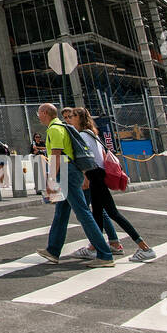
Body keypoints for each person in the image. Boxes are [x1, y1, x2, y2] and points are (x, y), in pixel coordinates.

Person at [35, 103, 114, 267]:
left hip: (65, 170)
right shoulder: (60, 127)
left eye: (39, 113)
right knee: (61, 213)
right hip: (67, 169)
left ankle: (105, 254)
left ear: (45, 113)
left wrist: (50, 180)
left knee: (83, 213)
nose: (38, 116)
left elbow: (56, 155)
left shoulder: (55, 129)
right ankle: (53, 250)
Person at [71, 109, 155, 261]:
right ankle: (94, 247)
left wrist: (85, 176)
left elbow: (86, 158)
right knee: (97, 214)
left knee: (112, 213)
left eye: (73, 116)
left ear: (80, 118)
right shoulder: (92, 133)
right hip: (99, 174)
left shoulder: (83, 135)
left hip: (94, 175)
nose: (70, 119)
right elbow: (101, 155)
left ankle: (144, 247)